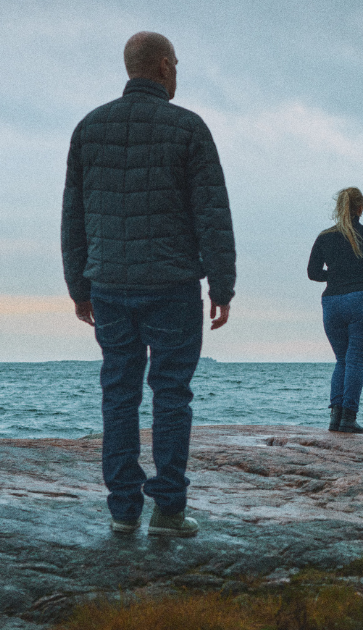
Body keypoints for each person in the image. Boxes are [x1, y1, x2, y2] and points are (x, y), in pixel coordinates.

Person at [61, 32, 236, 537]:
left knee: (118, 393)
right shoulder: (189, 128)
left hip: (109, 283)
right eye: (176, 63)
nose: (177, 71)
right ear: (162, 66)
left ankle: (121, 511)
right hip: (173, 283)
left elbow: (73, 215)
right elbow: (213, 214)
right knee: (171, 394)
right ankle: (169, 511)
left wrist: (79, 285)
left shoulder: (88, 128)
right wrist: (221, 286)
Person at [307, 187, 363, 434]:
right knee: (355, 360)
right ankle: (348, 418)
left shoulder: (325, 237)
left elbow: (313, 273)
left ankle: (335, 417)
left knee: (342, 359)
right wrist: (362, 274)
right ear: (360, 208)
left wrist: (335, 275)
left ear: (339, 208)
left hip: (332, 301)